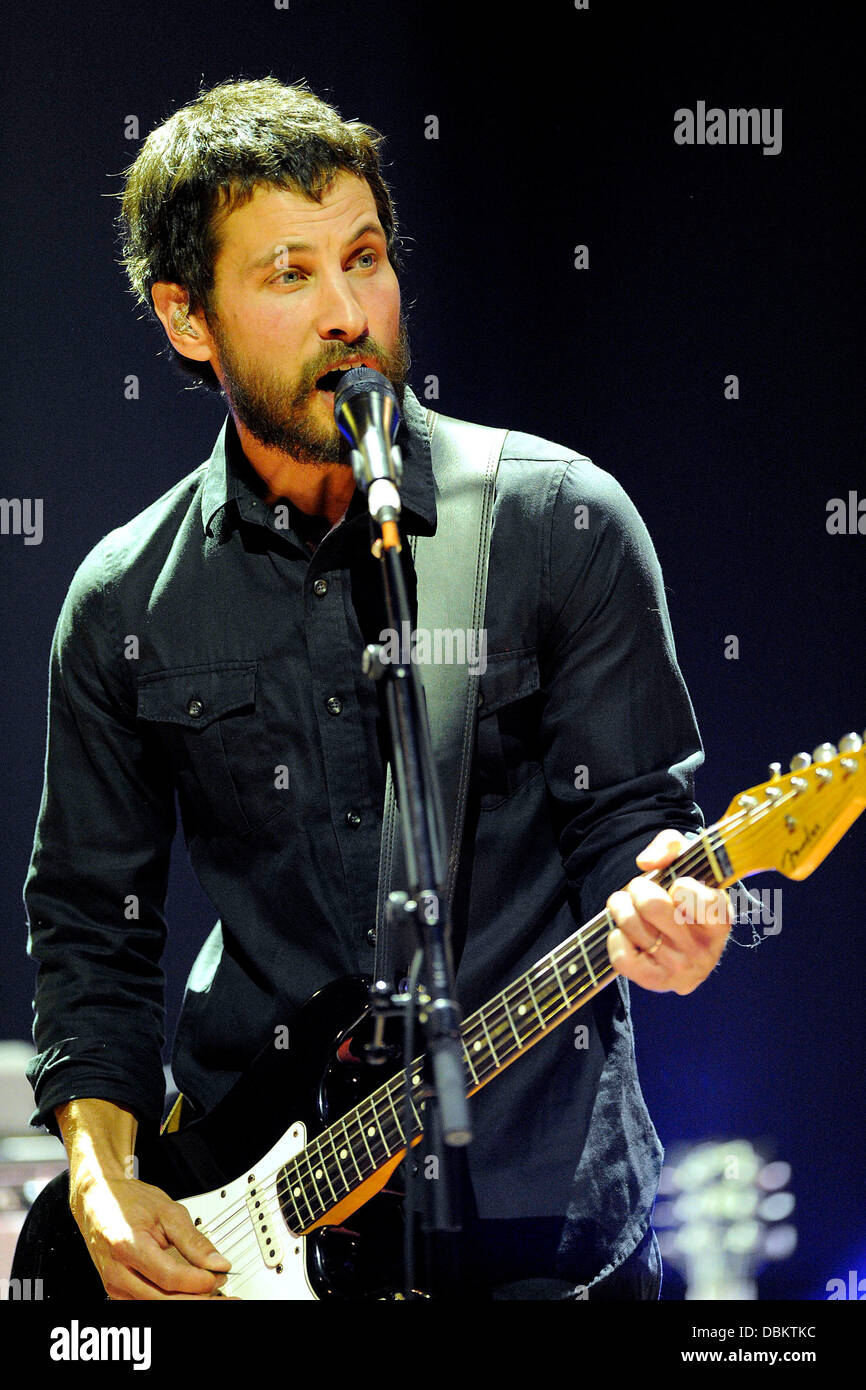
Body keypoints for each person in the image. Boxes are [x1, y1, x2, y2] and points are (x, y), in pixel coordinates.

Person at [22, 76, 736, 1302]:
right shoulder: (124, 599)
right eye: (289, 275)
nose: (349, 312)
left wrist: (678, 923)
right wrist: (99, 1172)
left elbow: (634, 830)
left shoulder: (557, 520)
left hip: (542, 1220)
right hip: (251, 1202)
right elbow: (94, 929)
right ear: (187, 319)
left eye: (364, 258)